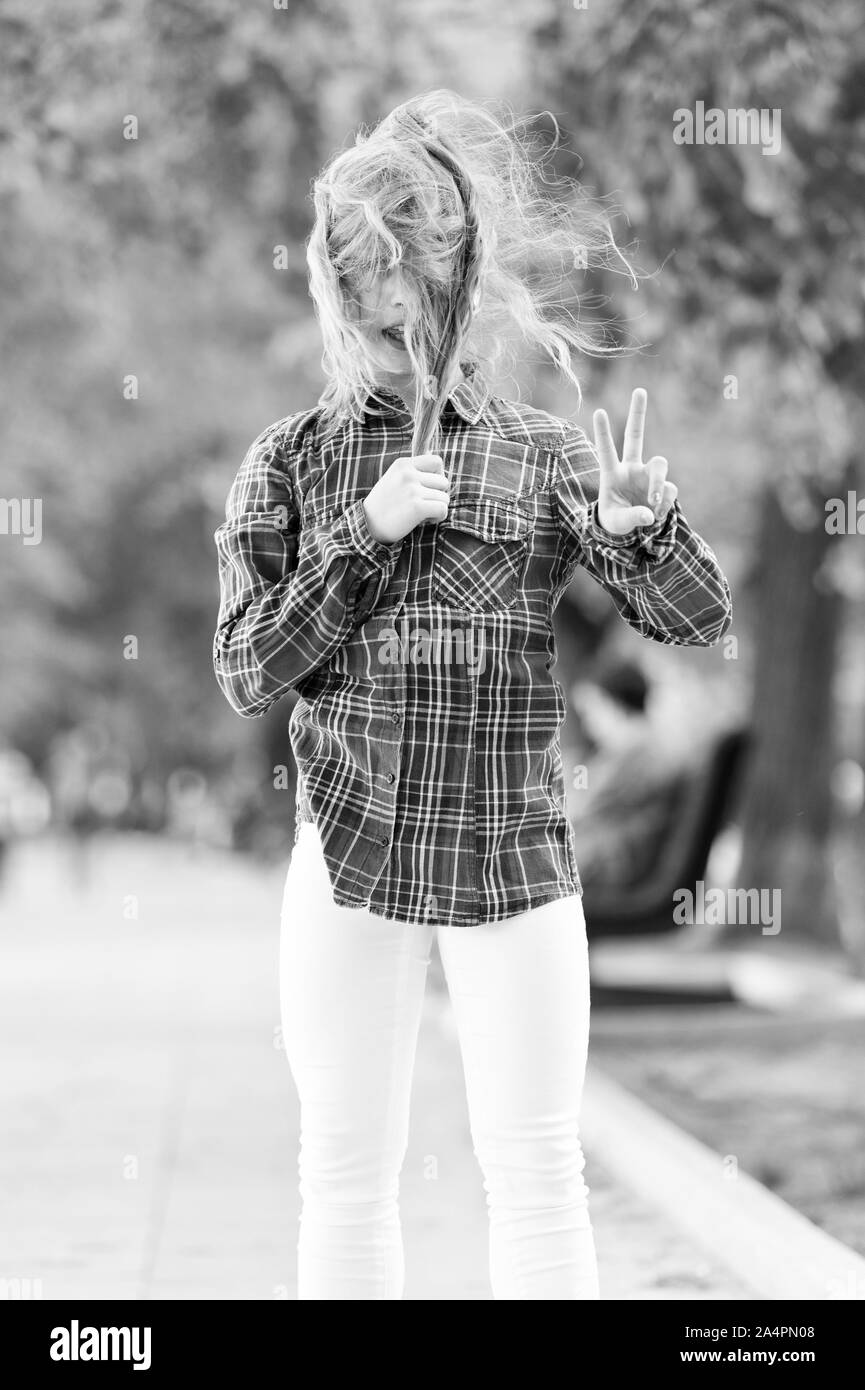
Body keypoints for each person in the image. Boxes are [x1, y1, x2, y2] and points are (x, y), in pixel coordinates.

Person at [212, 89, 733, 1300]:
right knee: (345, 1174)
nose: (406, 336)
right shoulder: (289, 462)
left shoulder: (546, 457)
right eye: (379, 305)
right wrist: (361, 532)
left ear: (459, 279)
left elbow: (698, 619)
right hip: (348, 852)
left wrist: (641, 530)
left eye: (425, 298)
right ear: (343, 297)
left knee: (538, 1168)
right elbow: (246, 669)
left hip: (512, 859)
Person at [567, 656, 691, 892]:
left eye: (589, 711)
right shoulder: (649, 749)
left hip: (609, 870)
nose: (587, 724)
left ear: (612, 702)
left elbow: (576, 812)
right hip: (616, 862)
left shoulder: (633, 754)